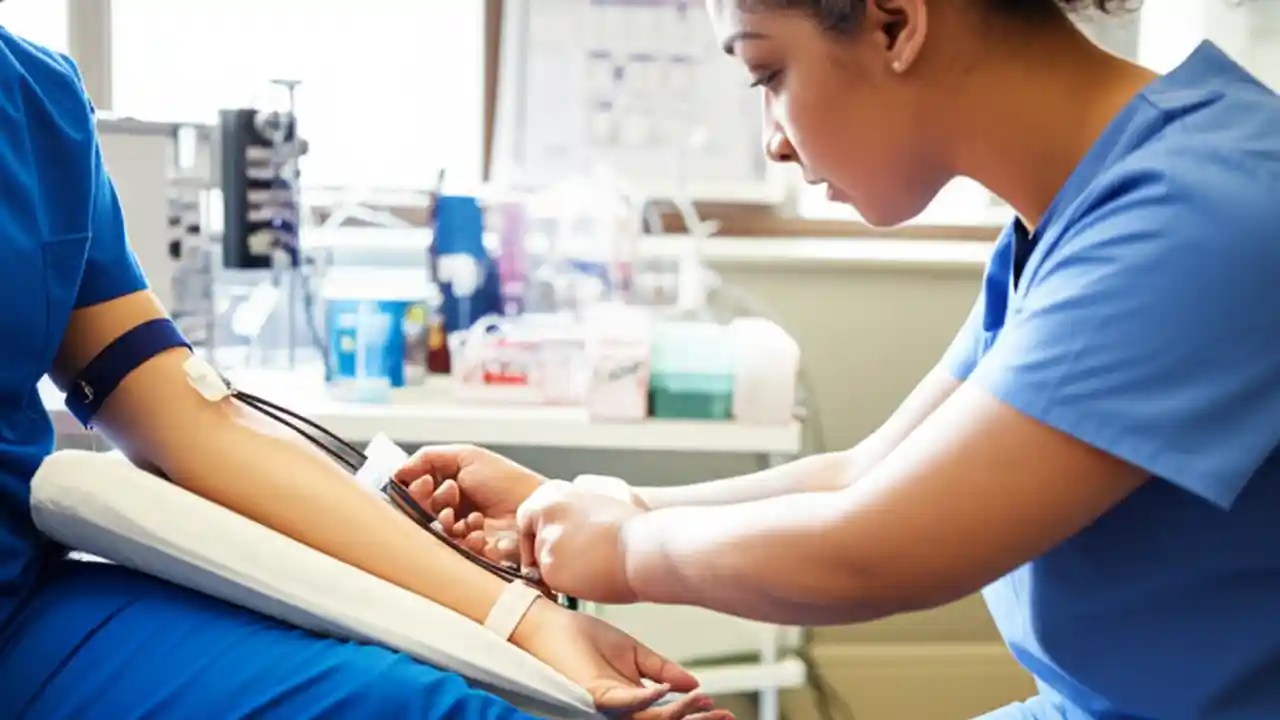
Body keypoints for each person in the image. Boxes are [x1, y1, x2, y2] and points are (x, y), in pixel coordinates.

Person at [395, 0, 1280, 718]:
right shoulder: (1084, 211)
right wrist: (609, 500)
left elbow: (880, 546)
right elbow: (865, 475)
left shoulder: (1202, 213)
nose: (773, 139)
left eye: (769, 73)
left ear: (897, 23)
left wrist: (626, 550)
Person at [0, 22, 733, 720]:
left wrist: (526, 623)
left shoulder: (35, 103)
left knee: (449, 707)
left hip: (23, 606)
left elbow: (193, 425)